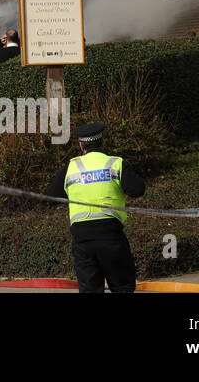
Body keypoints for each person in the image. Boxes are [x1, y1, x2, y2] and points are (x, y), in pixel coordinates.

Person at [46, 122, 145, 293]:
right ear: (102, 142)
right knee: (123, 287)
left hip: (82, 239)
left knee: (90, 290)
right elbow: (138, 190)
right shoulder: (115, 163)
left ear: (81, 145)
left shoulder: (70, 168)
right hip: (111, 236)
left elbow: (50, 199)